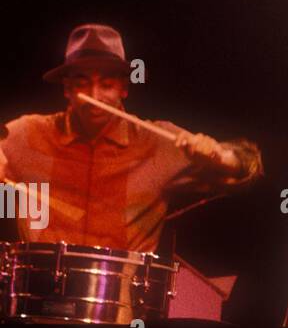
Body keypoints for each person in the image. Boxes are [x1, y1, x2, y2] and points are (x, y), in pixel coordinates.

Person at [0, 24, 262, 252]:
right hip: (38, 299)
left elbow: (247, 167)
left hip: (123, 304)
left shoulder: (157, 142)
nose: (94, 95)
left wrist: (219, 156)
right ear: (66, 88)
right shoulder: (28, 133)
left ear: (123, 88)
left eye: (106, 85)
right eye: (81, 82)